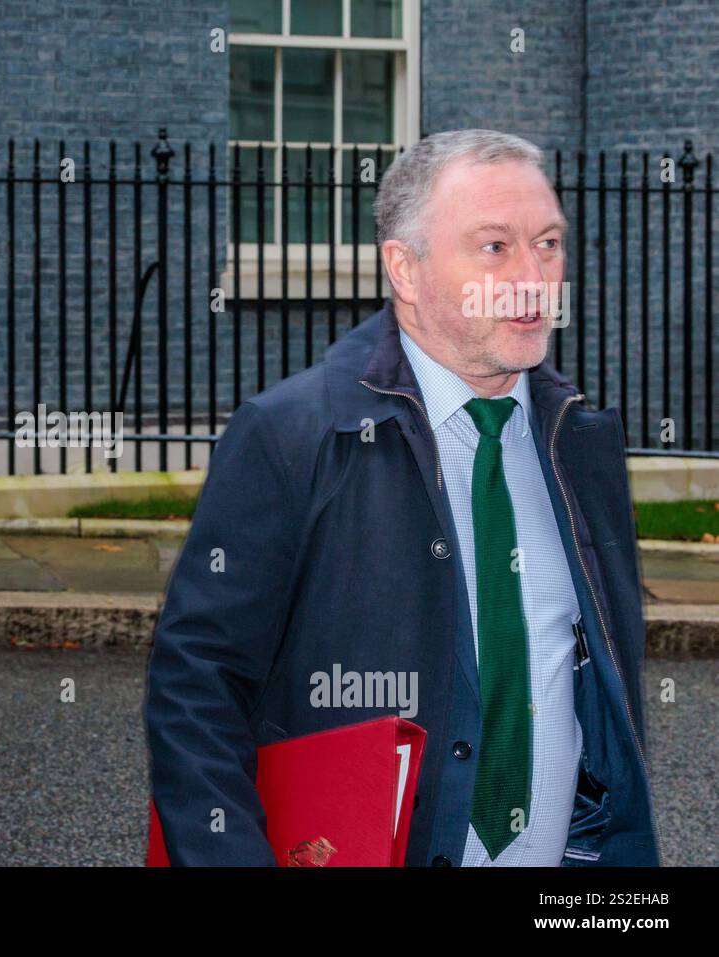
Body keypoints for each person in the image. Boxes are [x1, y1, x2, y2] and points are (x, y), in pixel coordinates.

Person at [145, 129, 661, 866]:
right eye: (494, 247)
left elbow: (606, 706)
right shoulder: (293, 434)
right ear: (405, 268)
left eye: (547, 243)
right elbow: (195, 687)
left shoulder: (579, 443)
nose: (532, 276)